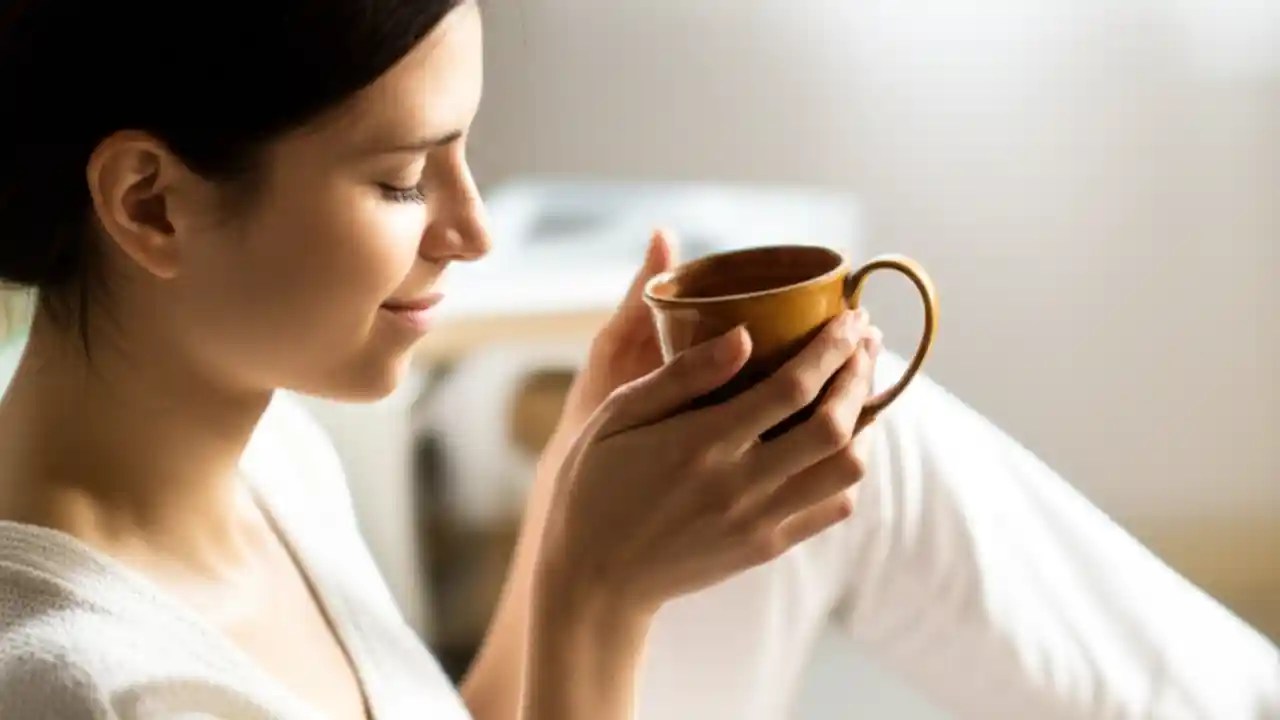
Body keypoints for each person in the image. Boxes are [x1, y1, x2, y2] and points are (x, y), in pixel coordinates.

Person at [0, 2, 1275, 720]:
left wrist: (575, 497)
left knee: (824, 439)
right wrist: (592, 598)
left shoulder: (265, 445)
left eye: (458, 154)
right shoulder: (91, 691)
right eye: (398, 179)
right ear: (151, 205)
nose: (469, 227)